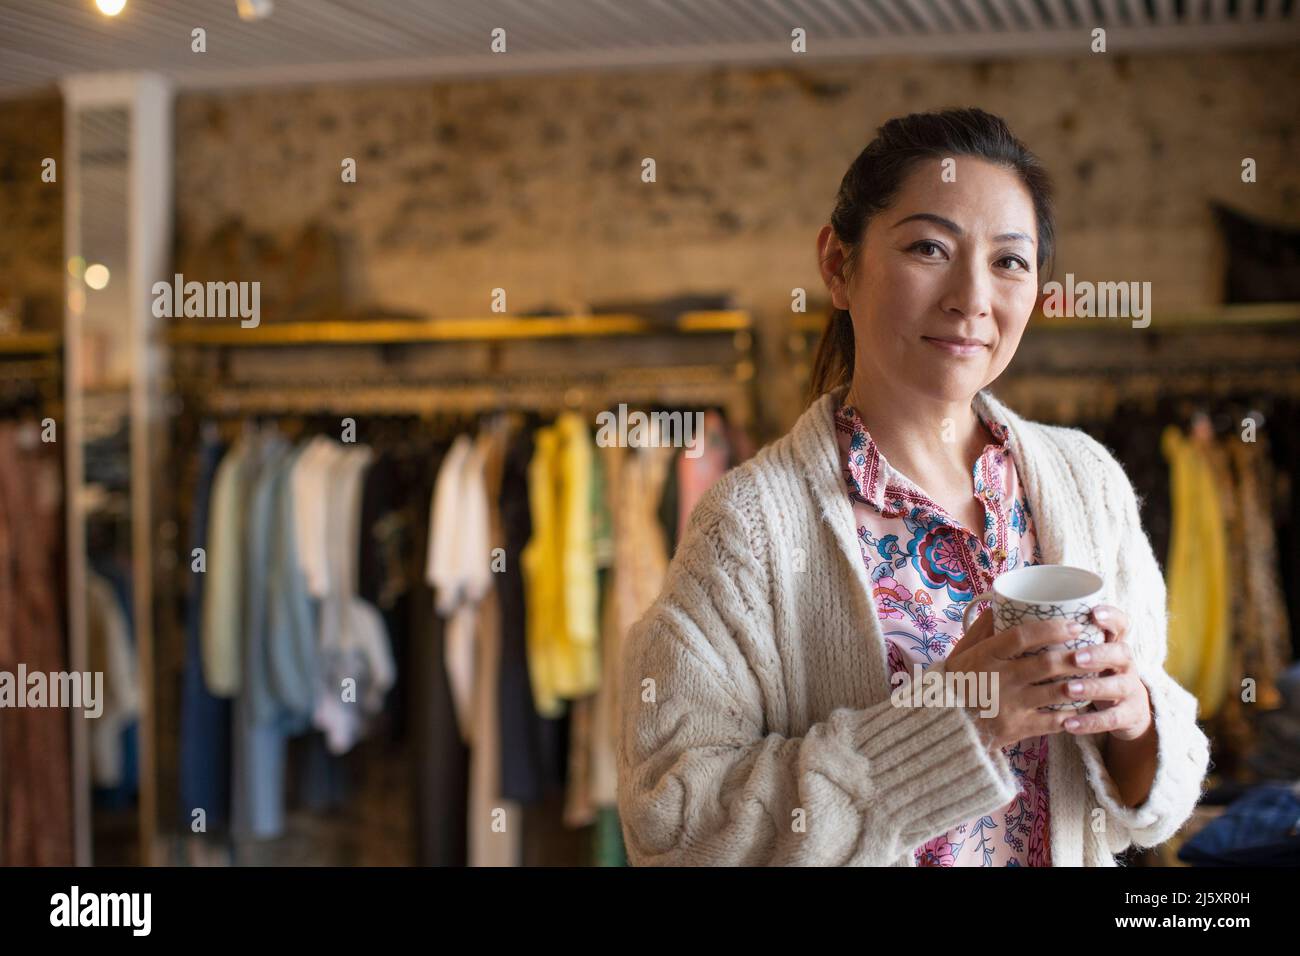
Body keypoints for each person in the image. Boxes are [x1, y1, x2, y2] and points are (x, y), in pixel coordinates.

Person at [615, 107, 1210, 866]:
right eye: (929, 247)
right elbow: (674, 827)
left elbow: (1155, 796)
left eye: (1009, 262)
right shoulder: (750, 528)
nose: (971, 298)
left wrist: (1138, 723)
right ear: (837, 265)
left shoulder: (1085, 482)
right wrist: (952, 724)